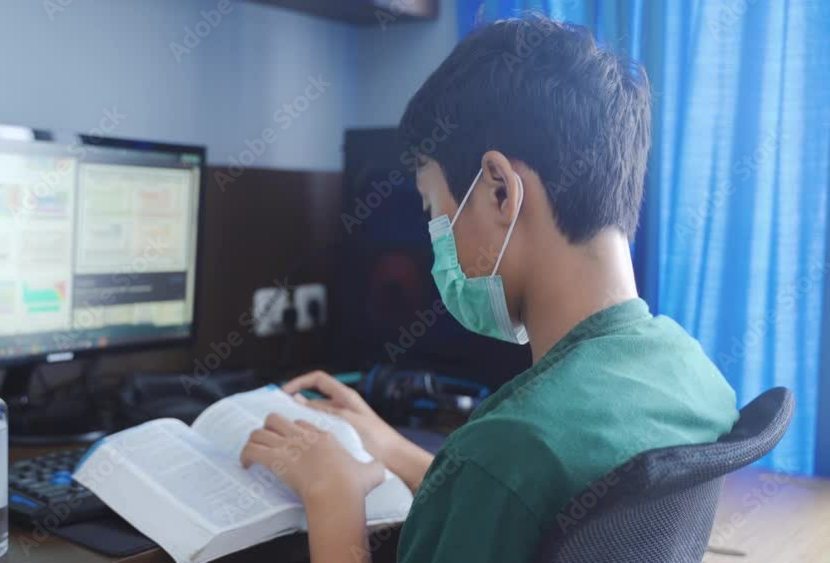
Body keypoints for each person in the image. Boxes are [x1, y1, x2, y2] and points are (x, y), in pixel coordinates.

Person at [239, 13, 740, 563]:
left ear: (500, 190)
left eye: (435, 213)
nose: (437, 242)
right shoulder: (693, 373)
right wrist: (403, 453)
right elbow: (544, 519)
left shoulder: (509, 447)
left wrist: (331, 493)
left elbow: (508, 477)